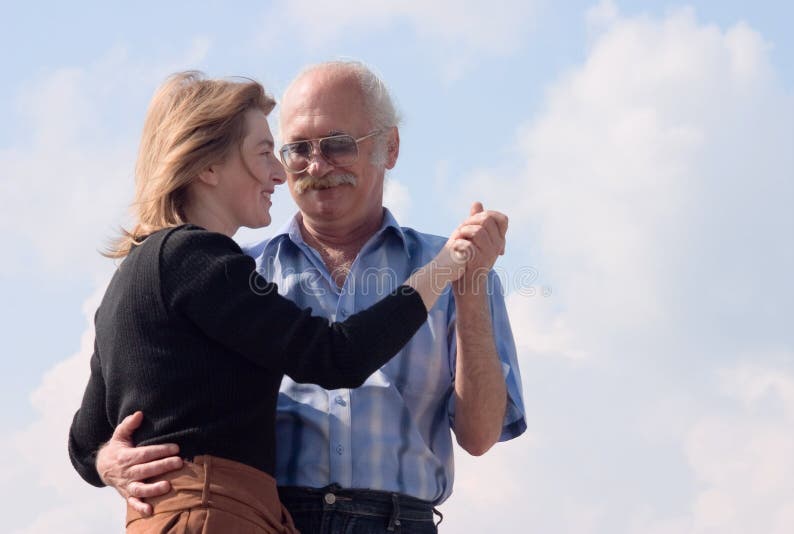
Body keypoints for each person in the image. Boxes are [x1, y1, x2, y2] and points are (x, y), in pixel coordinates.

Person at [94, 62, 526, 533]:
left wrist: (467, 290)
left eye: (337, 144)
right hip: (271, 520)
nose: (315, 166)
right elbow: (127, 406)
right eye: (296, 149)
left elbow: (479, 437)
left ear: (390, 147)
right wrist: (106, 458)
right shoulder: (230, 272)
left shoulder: (465, 269)